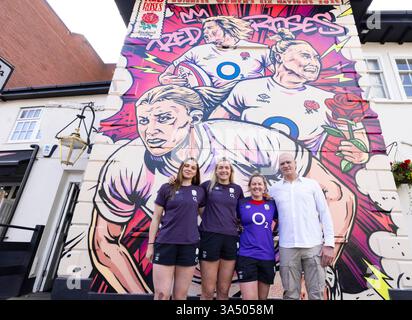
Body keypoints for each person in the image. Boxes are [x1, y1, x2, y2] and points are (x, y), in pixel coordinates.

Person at [89, 84, 355, 294]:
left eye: (164, 118)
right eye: (143, 120)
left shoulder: (247, 138)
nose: (151, 130)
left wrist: (319, 263)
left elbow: (337, 194)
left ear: (192, 118)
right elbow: (104, 241)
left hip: (271, 263)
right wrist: (138, 292)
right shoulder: (126, 165)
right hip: (192, 269)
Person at [210, 28, 369, 163]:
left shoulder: (326, 99)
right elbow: (212, 125)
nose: (314, 63)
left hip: (300, 178)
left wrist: (360, 153)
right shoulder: (247, 88)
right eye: (306, 56)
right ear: (280, 57)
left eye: (316, 58)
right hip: (249, 178)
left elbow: (359, 138)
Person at [269, 152, 335, 300]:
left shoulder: (312, 185)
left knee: (317, 293)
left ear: (295, 164)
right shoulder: (274, 190)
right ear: (279, 168)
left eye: (288, 162)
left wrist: (329, 244)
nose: (286, 165)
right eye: (282, 164)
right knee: (290, 294)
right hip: (287, 247)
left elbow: (325, 213)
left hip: (314, 246)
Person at [145, 158, 205, 300]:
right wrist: (150, 245)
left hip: (189, 246)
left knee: (180, 295)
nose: (189, 169)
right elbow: (156, 218)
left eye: (193, 168)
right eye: (186, 166)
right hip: (166, 243)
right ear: (181, 168)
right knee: (162, 294)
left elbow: (206, 216)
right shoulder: (167, 188)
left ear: (196, 173)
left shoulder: (200, 191)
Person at [159, 16, 272, 88]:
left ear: (227, 28)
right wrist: (164, 78)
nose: (205, 32)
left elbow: (282, 74)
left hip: (249, 100)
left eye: (210, 28)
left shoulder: (260, 49)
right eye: (204, 29)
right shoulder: (197, 51)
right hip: (210, 101)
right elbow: (170, 70)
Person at [198, 158, 243, 300]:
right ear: (216, 171)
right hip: (210, 237)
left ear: (231, 171)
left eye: (227, 168)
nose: (224, 170)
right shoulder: (207, 186)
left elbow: (241, 212)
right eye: (220, 168)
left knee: (223, 290)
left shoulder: (237, 189)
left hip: (230, 238)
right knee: (208, 290)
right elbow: (196, 203)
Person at [236, 173, 278, 300]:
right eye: (254, 184)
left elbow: (280, 220)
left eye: (260, 184)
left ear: (264, 187)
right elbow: (234, 220)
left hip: (267, 256)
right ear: (249, 186)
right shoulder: (241, 203)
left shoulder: (271, 204)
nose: (257, 186)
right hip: (247, 255)